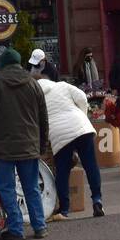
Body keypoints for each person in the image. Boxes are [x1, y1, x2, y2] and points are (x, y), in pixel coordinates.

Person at [0, 46, 49, 240]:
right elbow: (43, 119)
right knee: (31, 187)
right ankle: (39, 226)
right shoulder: (33, 85)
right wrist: (41, 145)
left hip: (3, 146)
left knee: (6, 188)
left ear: (3, 65)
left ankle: (16, 229)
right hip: (29, 145)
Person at [38, 77, 105, 219]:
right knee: (91, 165)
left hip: (59, 134)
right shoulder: (61, 85)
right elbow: (81, 96)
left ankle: (64, 209)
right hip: (81, 127)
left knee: (62, 171)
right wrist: (82, 113)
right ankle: (97, 200)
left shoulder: (36, 96)